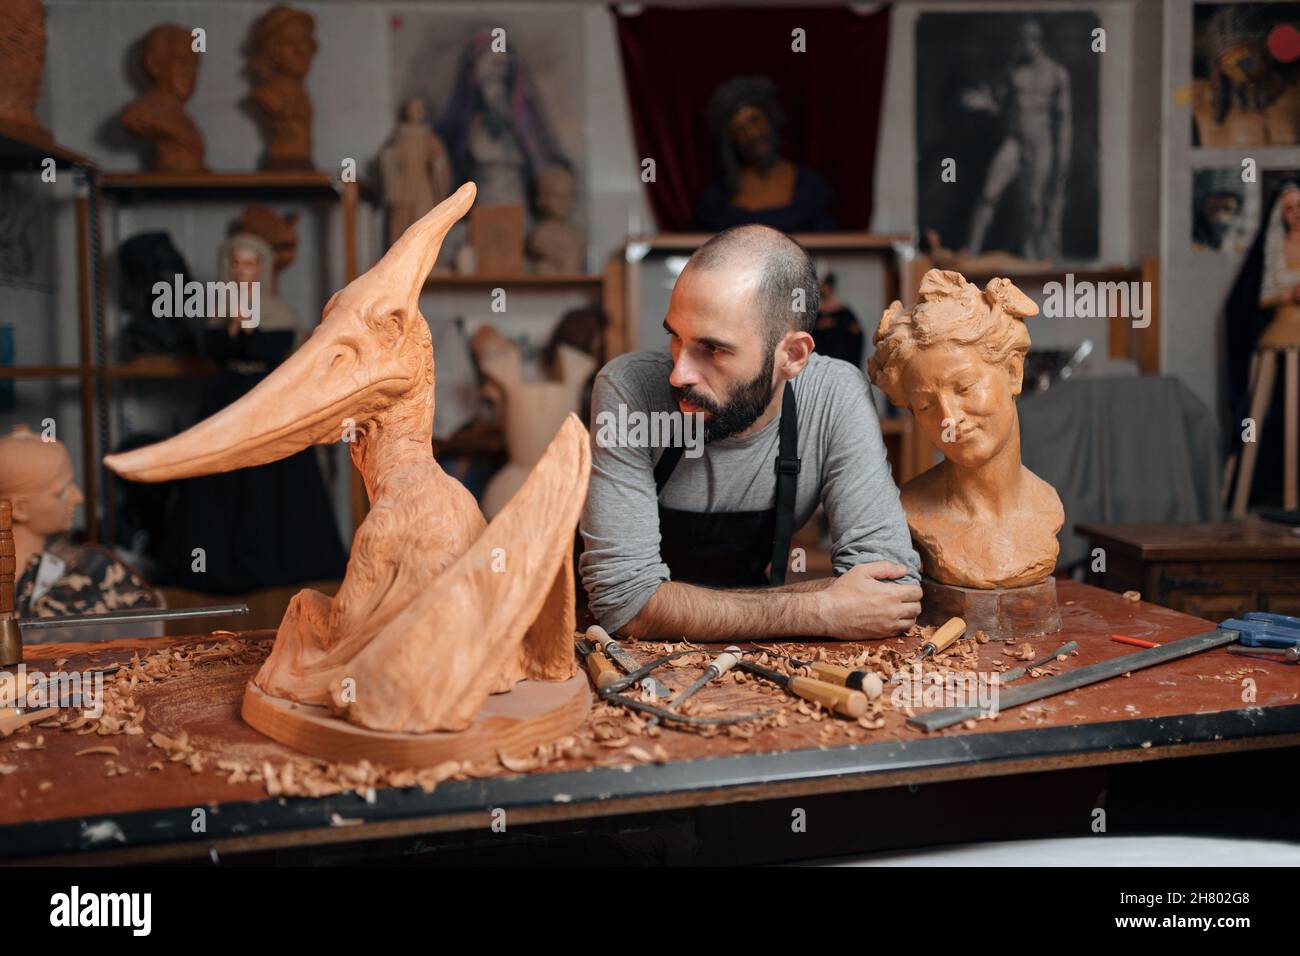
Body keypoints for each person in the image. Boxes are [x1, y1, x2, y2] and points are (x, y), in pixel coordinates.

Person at [580, 225, 919, 641]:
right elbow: (622, 603)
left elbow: (891, 591)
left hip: (751, 653)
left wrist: (683, 607)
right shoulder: (628, 391)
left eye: (712, 349)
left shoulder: (833, 396)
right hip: (627, 652)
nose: (679, 374)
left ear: (792, 355)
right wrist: (820, 608)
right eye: (675, 338)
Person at [0, 425, 159, 624]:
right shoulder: (91, 573)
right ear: (20, 509)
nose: (79, 497)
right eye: (61, 492)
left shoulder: (97, 574)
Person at [961, 19, 1071, 260]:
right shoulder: (1012, 71)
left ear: (1040, 41)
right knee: (988, 193)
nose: (1026, 44)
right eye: (1023, 39)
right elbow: (1000, 104)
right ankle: (969, 252)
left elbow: (1063, 120)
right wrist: (987, 103)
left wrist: (1062, 157)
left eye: (1031, 38)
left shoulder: (1056, 74)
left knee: (1034, 203)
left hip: (1041, 144)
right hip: (1015, 141)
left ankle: (1035, 258)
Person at [690, 76, 837, 233]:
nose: (752, 134)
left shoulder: (811, 186)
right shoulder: (717, 199)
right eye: (739, 129)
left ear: (770, 118)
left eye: (755, 121)